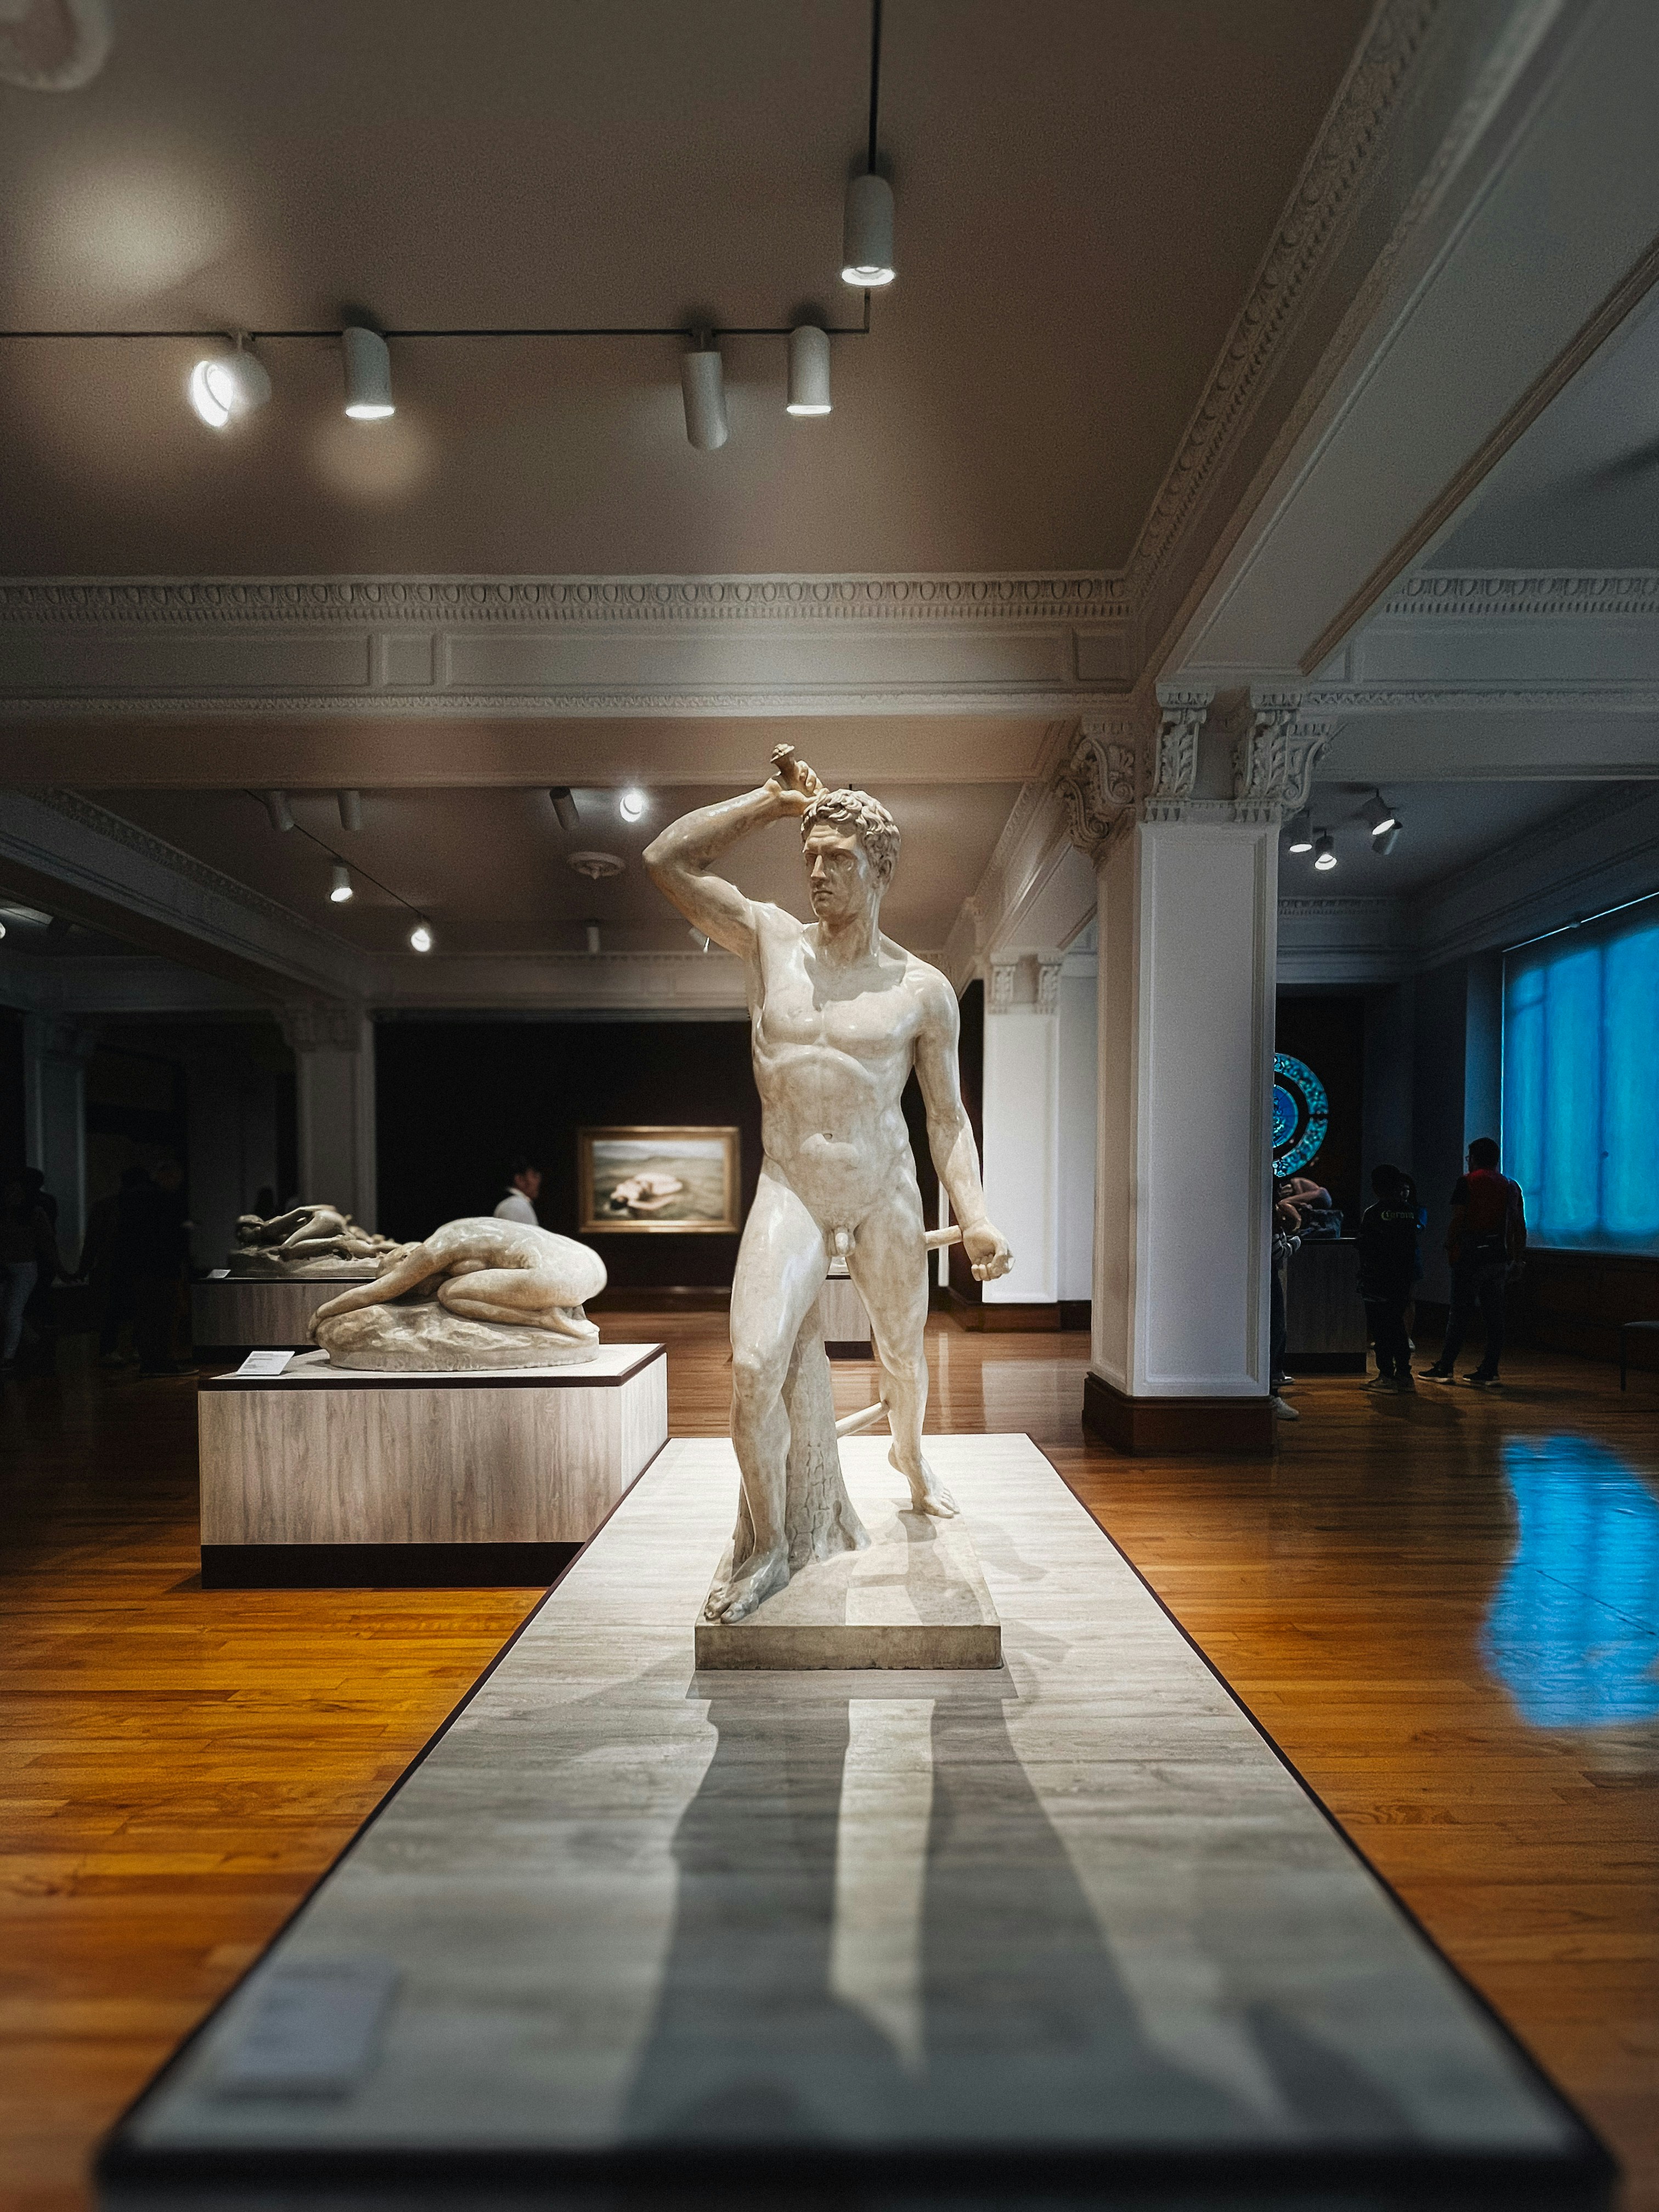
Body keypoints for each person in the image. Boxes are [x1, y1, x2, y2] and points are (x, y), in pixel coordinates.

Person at [645, 749, 1012, 1624]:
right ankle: (771, 1544)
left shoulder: (923, 990)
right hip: (791, 1186)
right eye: (809, 855)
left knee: (902, 1356)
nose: (817, 872)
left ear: (880, 868)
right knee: (754, 1369)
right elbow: (667, 861)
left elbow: (946, 1120)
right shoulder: (773, 941)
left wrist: (977, 1216)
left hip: (884, 1186)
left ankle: (912, 1460)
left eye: (837, 857)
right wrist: (771, 803)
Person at [1421, 1136, 1526, 1387]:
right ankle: (1490, 1369)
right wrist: (1518, 1257)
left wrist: (1449, 1243)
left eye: (1469, 1157)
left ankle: (1446, 1367)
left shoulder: (1467, 1183)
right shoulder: (1510, 1185)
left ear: (1474, 1158)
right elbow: (1518, 1224)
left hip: (1469, 1256)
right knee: (1494, 1316)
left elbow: (1460, 1217)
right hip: (1497, 1257)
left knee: (1459, 1313)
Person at [1356, 1164, 1420, 1392]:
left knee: (1381, 1330)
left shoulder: (1373, 1213)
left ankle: (1386, 1375)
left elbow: (1365, 1246)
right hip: (1402, 1278)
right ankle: (1404, 1374)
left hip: (1378, 1280)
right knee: (1398, 1327)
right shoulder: (1409, 1211)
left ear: (1376, 1187)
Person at [126, 1160, 194, 1379]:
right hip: (162, 1268)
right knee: (164, 1315)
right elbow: (169, 1236)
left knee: (147, 1316)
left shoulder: (135, 1198)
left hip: (141, 1266)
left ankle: (152, 1360)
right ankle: (162, 1361)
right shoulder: (160, 1199)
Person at [0, 1173, 62, 1373]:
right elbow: (47, 1242)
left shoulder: (33, 1213)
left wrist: (58, 1267)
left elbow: (46, 1243)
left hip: (22, 1267)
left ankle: (9, 1357)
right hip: (17, 1266)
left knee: (11, 1312)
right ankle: (33, 1343)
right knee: (11, 1312)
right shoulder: (32, 1212)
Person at [494, 1158, 542, 1226]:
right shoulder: (516, 1205)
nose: (538, 1181)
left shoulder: (516, 1203)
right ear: (520, 1179)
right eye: (534, 1176)